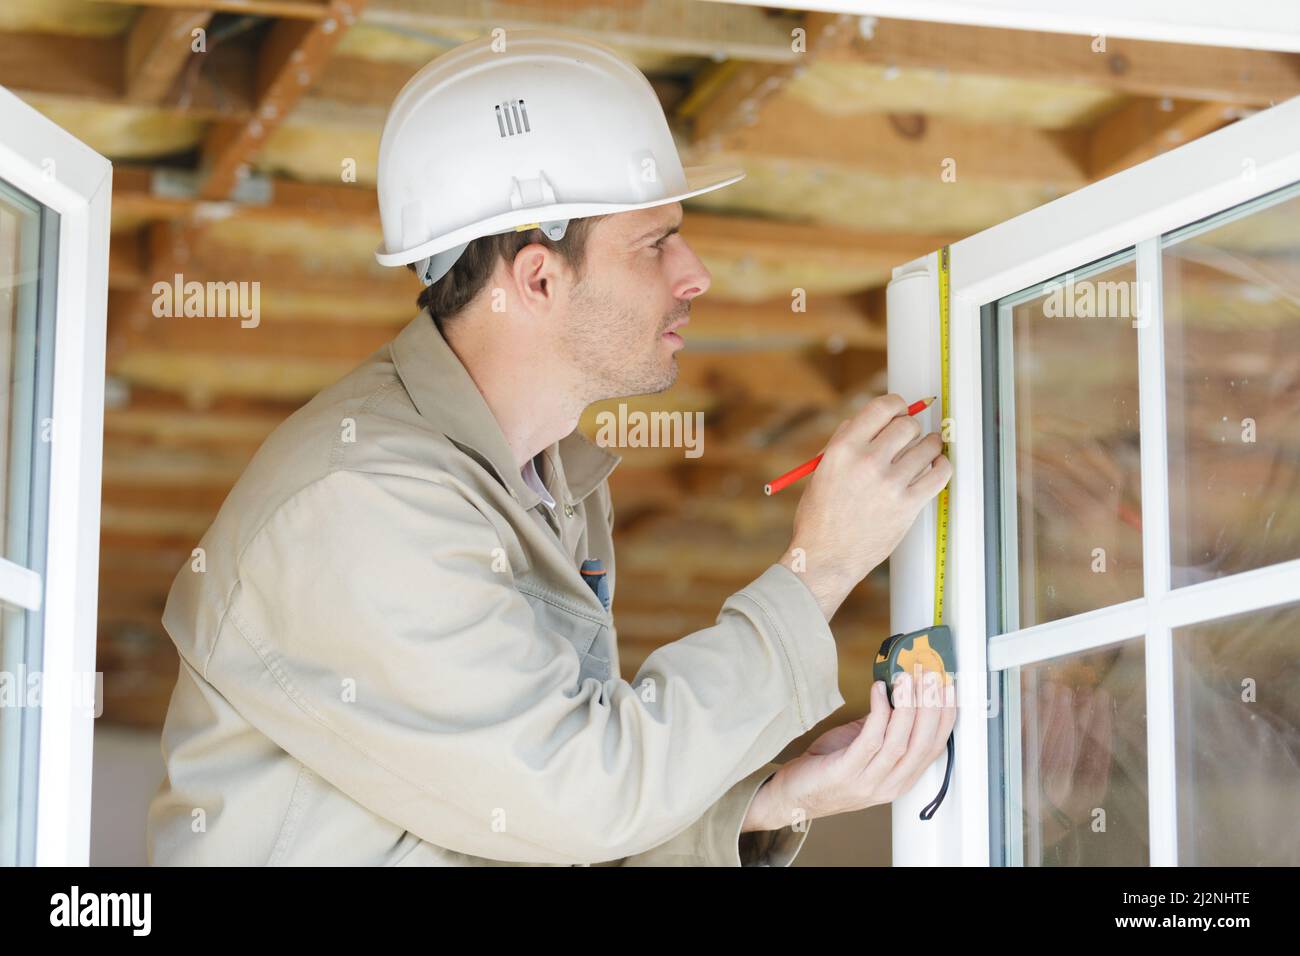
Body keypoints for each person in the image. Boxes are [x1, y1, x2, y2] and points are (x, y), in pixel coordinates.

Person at [146, 29, 954, 866]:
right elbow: (580, 797)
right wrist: (816, 569)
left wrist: (762, 803)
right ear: (537, 278)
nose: (697, 273)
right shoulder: (360, 498)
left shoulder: (544, 482)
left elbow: (537, 815)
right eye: (655, 243)